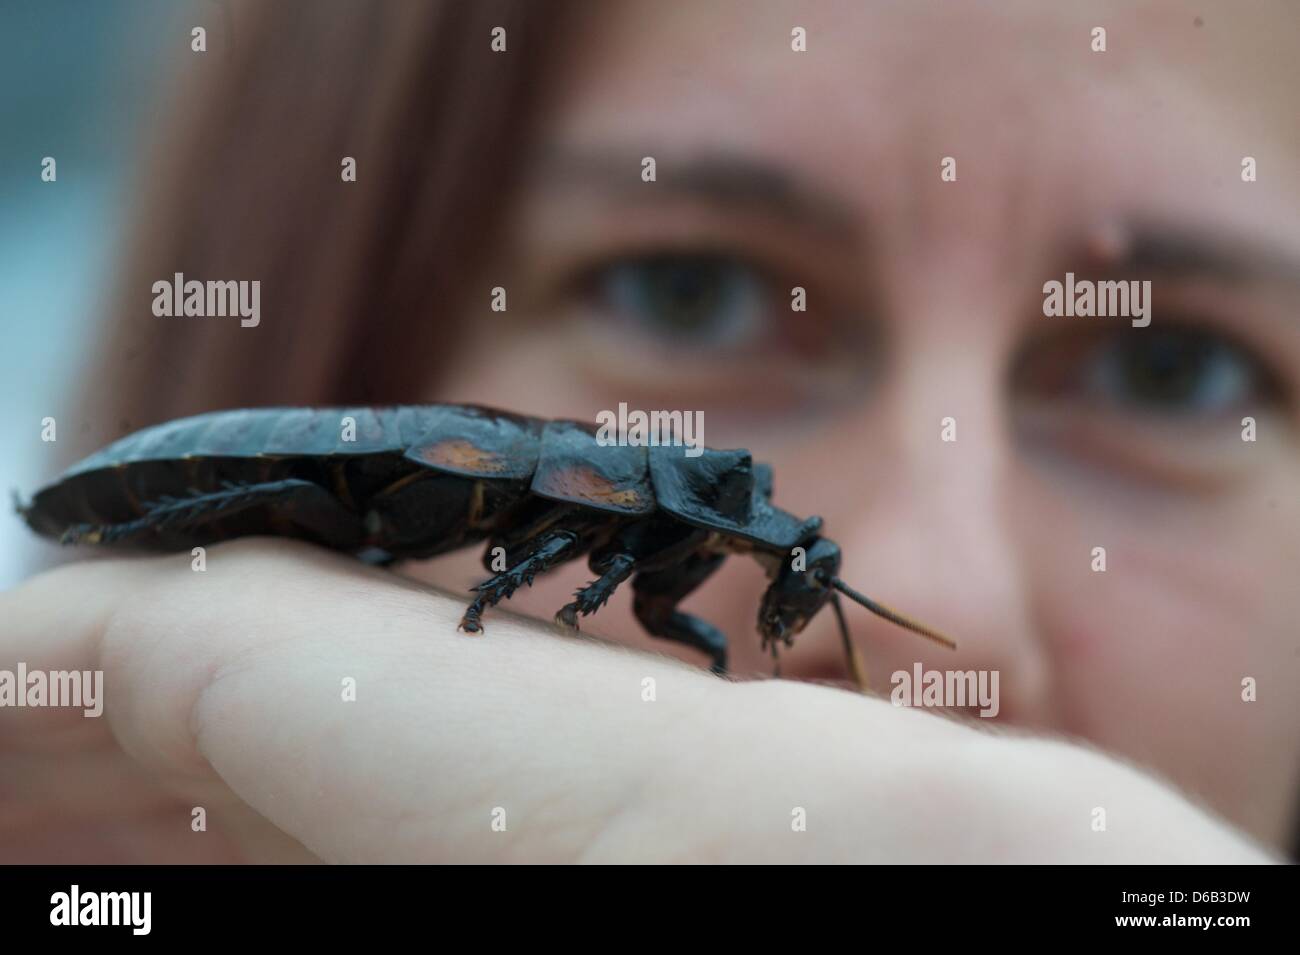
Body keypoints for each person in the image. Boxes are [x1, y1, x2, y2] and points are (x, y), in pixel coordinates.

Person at [5, 0, 1294, 862]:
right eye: (689, 292)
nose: (958, 593)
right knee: (295, 490)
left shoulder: (668, 546)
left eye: (1168, 369)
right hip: (322, 476)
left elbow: (640, 594)